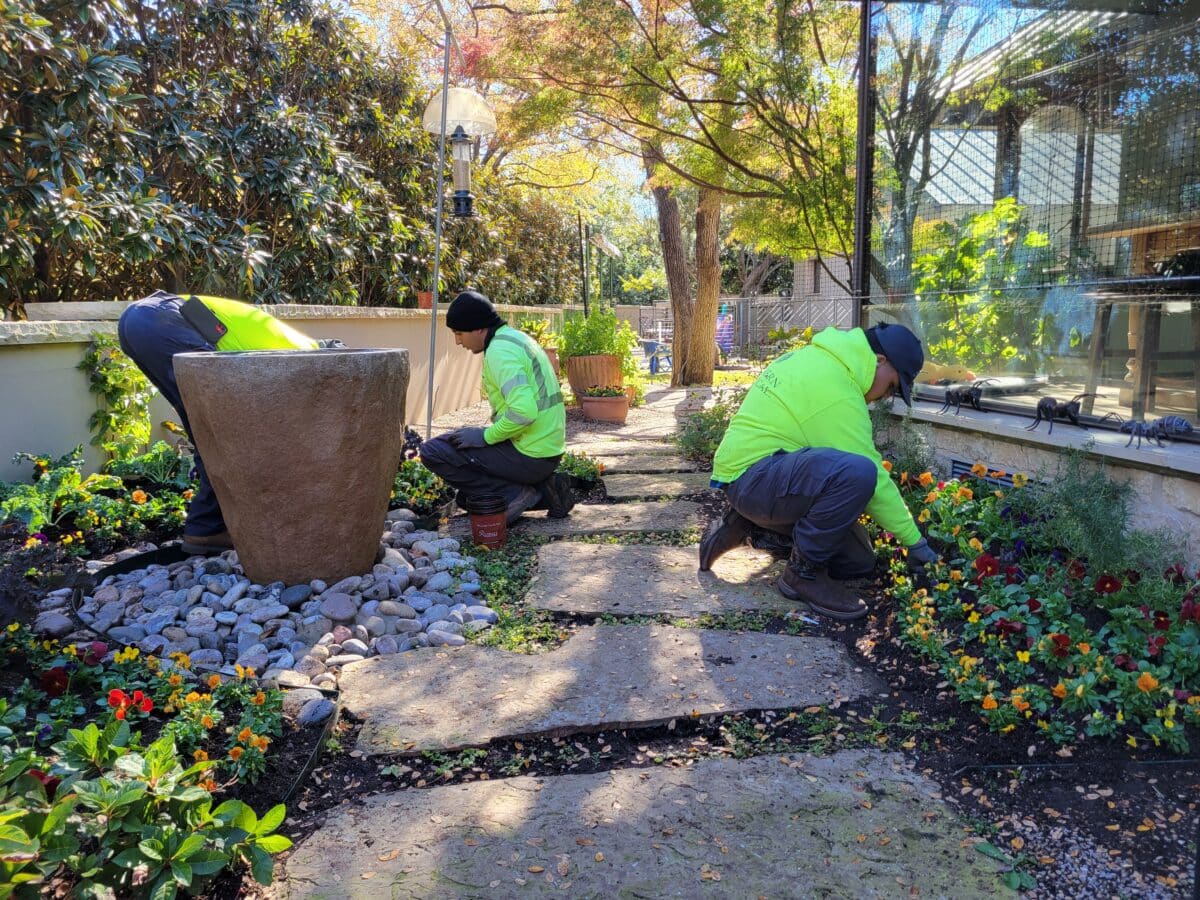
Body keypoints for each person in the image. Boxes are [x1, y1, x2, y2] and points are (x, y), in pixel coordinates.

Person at [699, 322, 940, 621]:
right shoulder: (837, 388)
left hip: (756, 478)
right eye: (891, 387)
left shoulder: (821, 359)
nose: (885, 397)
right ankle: (802, 576)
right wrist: (916, 543)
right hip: (753, 478)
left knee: (858, 561)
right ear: (879, 361)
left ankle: (751, 526)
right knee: (858, 473)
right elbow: (873, 479)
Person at [118, 290, 330, 554]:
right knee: (228, 435)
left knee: (206, 431)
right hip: (164, 320)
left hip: (141, 320)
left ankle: (206, 530)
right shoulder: (305, 357)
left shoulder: (296, 345)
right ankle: (212, 530)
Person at [420, 290, 573, 524]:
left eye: (459, 333)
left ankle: (515, 494)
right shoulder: (515, 338)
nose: (457, 341)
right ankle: (547, 492)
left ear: (479, 328)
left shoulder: (499, 353)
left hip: (530, 454)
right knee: (467, 499)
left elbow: (524, 412)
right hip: (546, 451)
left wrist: (486, 436)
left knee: (434, 451)